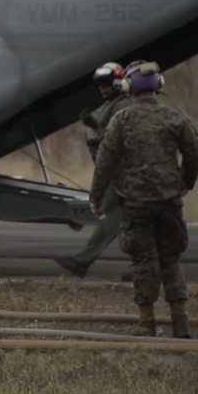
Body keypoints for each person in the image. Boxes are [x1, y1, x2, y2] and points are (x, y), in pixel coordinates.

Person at [90, 61, 198, 338]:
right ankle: (181, 322)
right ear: (158, 87)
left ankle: (146, 324)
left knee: (143, 262)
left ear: (127, 88)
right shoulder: (175, 118)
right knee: (171, 259)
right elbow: (196, 154)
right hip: (169, 201)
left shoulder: (122, 120)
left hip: (136, 202)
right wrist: (184, 181)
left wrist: (96, 198)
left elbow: (105, 162)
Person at [54, 62, 132, 280]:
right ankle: (84, 262)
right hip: (117, 173)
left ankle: (83, 262)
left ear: (116, 84)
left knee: (123, 220)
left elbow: (118, 139)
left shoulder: (122, 106)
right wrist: (94, 124)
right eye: (99, 84)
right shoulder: (114, 104)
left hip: (121, 173)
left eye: (105, 84)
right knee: (121, 221)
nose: (101, 88)